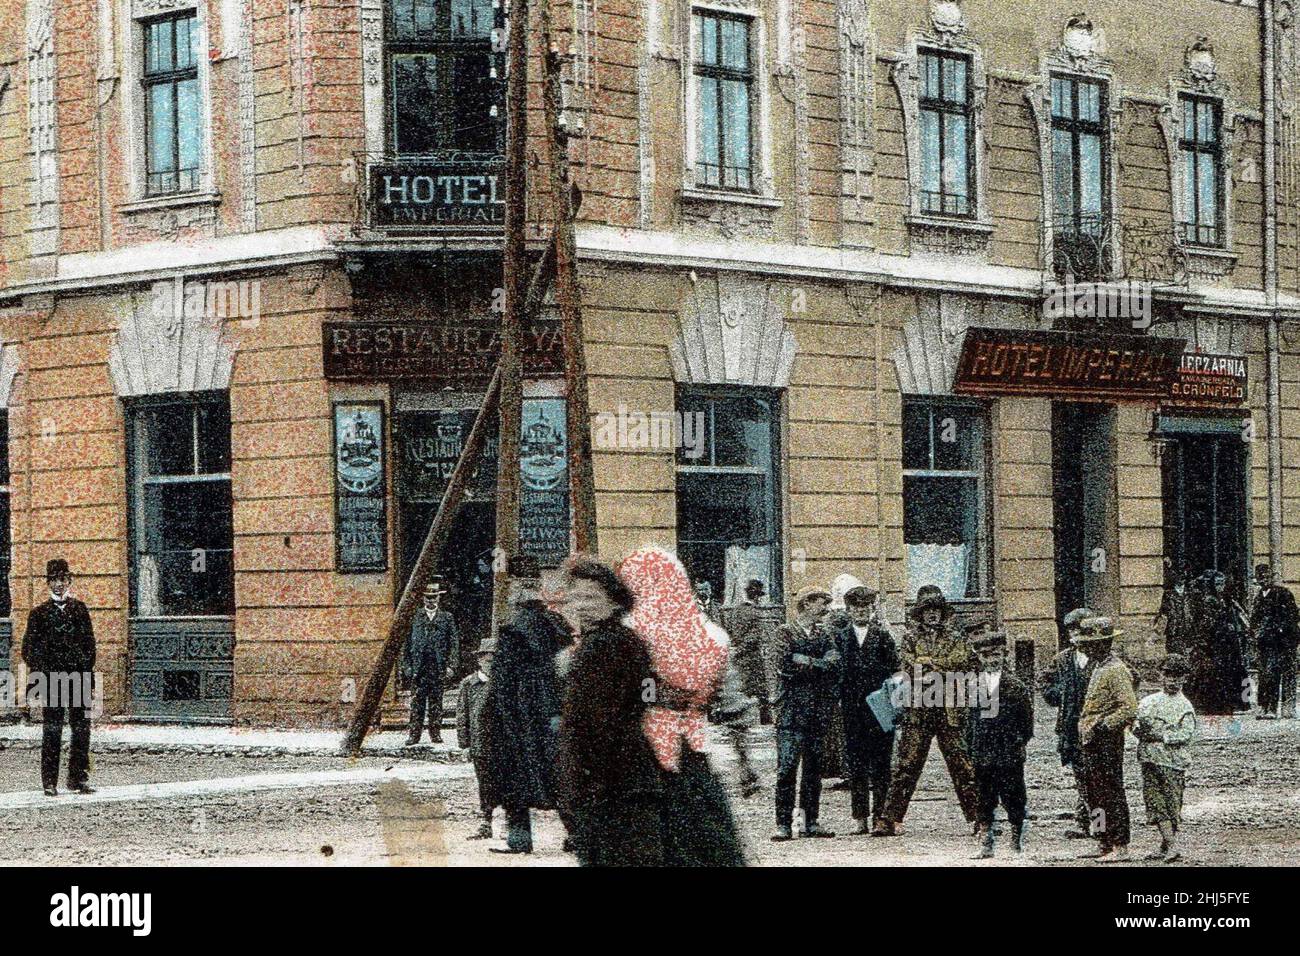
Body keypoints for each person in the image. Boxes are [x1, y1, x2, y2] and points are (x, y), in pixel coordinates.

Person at [556, 554, 744, 866]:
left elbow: (622, 704)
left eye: (590, 596)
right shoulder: (699, 636)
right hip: (665, 759)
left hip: (643, 767)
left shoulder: (626, 639)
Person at [479, 556, 574, 854]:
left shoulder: (512, 631)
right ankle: (578, 834)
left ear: (517, 590)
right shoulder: (558, 625)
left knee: (512, 776)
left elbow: (502, 682)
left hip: (518, 715)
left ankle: (520, 840)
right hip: (554, 712)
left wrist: (493, 715)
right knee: (560, 776)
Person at [874, 585, 979, 836]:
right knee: (906, 764)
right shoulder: (910, 638)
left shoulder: (956, 636)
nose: (932, 614)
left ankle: (979, 817)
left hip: (950, 709)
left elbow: (962, 662)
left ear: (943, 613)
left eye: (936, 610)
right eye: (927, 610)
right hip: (918, 710)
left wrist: (930, 664)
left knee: (961, 764)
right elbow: (908, 665)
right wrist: (936, 668)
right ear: (920, 614)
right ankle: (888, 819)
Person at [771, 585, 840, 841]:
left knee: (813, 770)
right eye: (822, 602)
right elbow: (785, 666)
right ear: (807, 604)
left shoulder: (825, 634)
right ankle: (784, 824)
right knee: (786, 769)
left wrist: (807, 661)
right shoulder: (784, 633)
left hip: (817, 712)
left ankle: (810, 822)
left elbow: (835, 666)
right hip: (790, 712)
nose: (826, 608)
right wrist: (819, 664)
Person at [22, 559, 96, 797]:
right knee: (53, 730)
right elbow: (28, 650)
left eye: (62, 580)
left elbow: (90, 646)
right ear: (48, 583)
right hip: (52, 680)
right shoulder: (38, 614)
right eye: (53, 580)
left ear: (69, 581)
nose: (58, 585)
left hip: (79, 678)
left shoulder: (80, 609)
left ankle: (78, 779)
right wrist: (43, 673)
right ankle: (49, 782)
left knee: (82, 729)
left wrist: (84, 668)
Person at [828, 583, 898, 834]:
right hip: (852, 709)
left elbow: (895, 671)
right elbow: (834, 672)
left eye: (865, 607)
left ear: (872, 609)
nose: (861, 611)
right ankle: (860, 818)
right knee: (856, 762)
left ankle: (882, 816)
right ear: (848, 610)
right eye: (856, 607)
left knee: (881, 763)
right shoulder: (839, 637)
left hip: (880, 708)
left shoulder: (883, 636)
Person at [1075, 616, 1138, 863]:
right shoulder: (1097, 667)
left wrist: (1102, 726)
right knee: (1094, 793)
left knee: (1110, 792)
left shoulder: (1115, 670)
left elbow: (1129, 708)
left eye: (1094, 643)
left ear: (1105, 644)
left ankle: (1120, 844)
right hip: (1090, 739)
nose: (1087, 647)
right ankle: (1102, 841)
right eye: (1086, 643)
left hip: (1107, 740)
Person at [968, 629, 1033, 858]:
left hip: (1008, 751)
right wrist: (972, 748)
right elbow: (970, 721)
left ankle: (1016, 843)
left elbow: (1027, 724)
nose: (991, 659)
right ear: (979, 657)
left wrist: (1017, 744)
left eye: (996, 654)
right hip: (982, 752)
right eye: (986, 655)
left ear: (1004, 654)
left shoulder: (1016, 686)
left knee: (1014, 796)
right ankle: (986, 844)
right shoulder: (973, 686)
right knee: (984, 797)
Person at [1134, 653, 1197, 863]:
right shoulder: (1148, 702)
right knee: (1155, 801)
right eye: (1169, 675)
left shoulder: (1185, 706)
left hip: (1173, 762)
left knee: (1173, 803)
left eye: (1178, 676)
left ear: (1185, 679)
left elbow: (1186, 734)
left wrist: (1161, 735)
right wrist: (1139, 730)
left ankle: (1167, 844)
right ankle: (1170, 845)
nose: (1173, 680)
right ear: (1161, 675)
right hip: (1150, 758)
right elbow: (1136, 725)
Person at [1039, 606, 1095, 839]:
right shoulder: (1062, 659)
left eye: (1078, 630)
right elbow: (1045, 684)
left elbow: (1131, 679)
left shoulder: (1102, 657)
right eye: (1070, 631)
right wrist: (1060, 695)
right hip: (1070, 729)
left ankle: (1099, 826)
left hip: (1096, 727)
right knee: (1082, 778)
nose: (1074, 635)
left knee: (1096, 779)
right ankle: (1087, 824)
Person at [402, 578, 460, 745]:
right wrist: (407, 666)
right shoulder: (415, 617)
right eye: (428, 597)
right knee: (417, 703)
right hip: (419, 668)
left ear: (439, 598)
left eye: (434, 597)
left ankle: (435, 733)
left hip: (437, 667)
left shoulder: (446, 618)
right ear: (423, 598)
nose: (431, 601)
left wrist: (451, 666)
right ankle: (414, 735)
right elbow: (406, 645)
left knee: (436, 702)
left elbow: (454, 644)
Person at [1185, 570, 1248, 715]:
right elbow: (1209, 622)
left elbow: (1237, 616)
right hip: (1215, 642)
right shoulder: (1209, 600)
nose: (1221, 587)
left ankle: (1234, 704)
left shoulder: (1227, 599)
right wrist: (1225, 626)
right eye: (1218, 584)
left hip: (1229, 642)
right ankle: (1215, 706)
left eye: (1223, 584)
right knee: (1215, 673)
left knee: (1233, 671)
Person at [456, 638, 498, 840]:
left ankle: (510, 824)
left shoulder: (505, 682)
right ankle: (486, 821)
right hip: (480, 743)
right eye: (488, 659)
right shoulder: (469, 684)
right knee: (485, 783)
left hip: (503, 743)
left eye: (496, 660)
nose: (492, 664)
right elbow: (462, 715)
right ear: (480, 660)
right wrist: (464, 744)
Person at [1248, 563, 1299, 720]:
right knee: (1268, 675)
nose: (1263, 581)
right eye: (1260, 578)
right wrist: (1255, 633)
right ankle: (1267, 708)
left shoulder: (1283, 594)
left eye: (1266, 577)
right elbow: (1254, 620)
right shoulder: (1258, 598)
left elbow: (1294, 616)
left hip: (1285, 642)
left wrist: (1279, 629)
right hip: (1266, 643)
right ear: (1257, 579)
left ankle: (1288, 708)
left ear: (1272, 577)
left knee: (1288, 674)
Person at [724, 578, 775, 724]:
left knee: (742, 690)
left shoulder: (735, 611)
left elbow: (731, 633)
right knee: (761, 692)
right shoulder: (754, 612)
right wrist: (742, 650)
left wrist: (736, 651)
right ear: (757, 596)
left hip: (740, 658)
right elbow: (753, 637)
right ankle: (766, 722)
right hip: (752, 658)